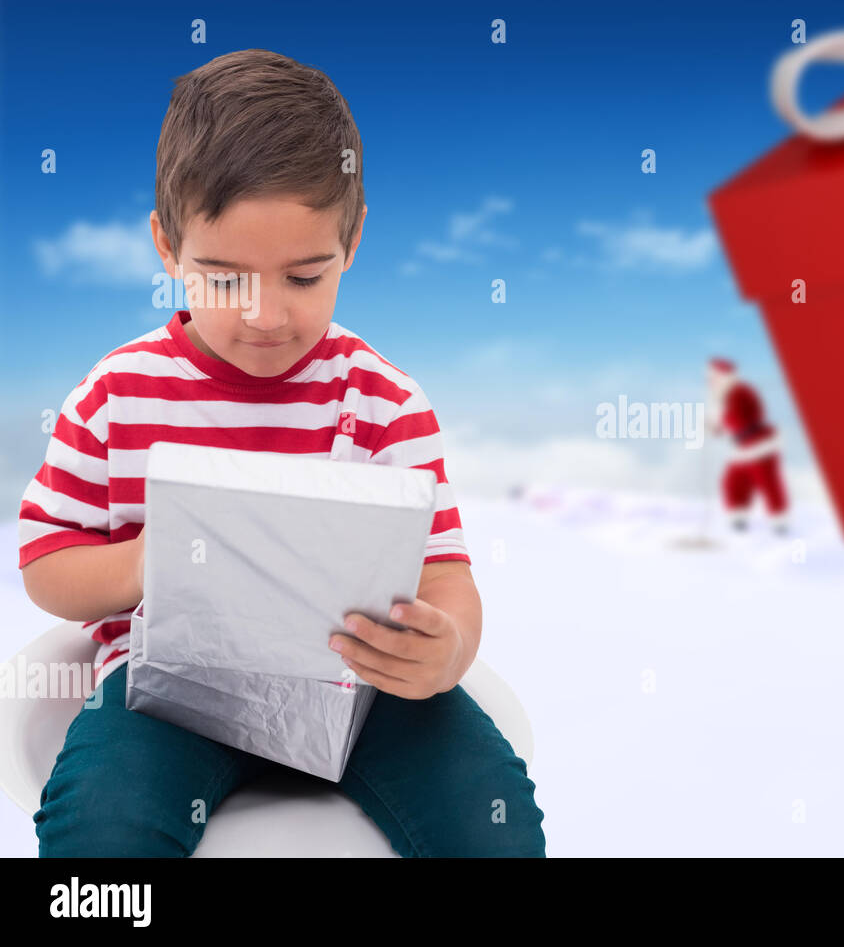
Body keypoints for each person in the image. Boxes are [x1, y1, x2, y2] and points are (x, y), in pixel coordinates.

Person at [16, 49, 544, 858]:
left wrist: (450, 648)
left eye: (304, 277)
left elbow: (445, 575)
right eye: (225, 279)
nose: (265, 317)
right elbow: (47, 562)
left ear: (354, 240)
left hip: (361, 687)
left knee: (491, 815)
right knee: (100, 828)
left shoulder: (383, 400)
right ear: (167, 246)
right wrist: (145, 563)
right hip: (170, 688)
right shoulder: (119, 393)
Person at [705, 357, 791, 536]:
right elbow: (722, 426)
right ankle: (738, 518)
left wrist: (718, 421)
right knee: (734, 480)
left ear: (721, 377)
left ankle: (780, 523)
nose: (709, 382)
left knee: (767, 482)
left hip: (759, 443)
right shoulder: (723, 396)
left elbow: (740, 417)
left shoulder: (740, 391)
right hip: (742, 446)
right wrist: (712, 425)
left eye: (712, 378)